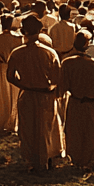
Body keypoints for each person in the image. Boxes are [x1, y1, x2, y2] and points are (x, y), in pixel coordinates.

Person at [6, 15, 63, 173]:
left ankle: (31, 160)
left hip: (27, 94)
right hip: (45, 94)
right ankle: (46, 157)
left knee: (28, 129)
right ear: (40, 31)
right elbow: (57, 77)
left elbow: (10, 76)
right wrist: (49, 87)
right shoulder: (49, 52)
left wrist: (23, 84)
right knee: (46, 127)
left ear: (23, 31)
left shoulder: (17, 53)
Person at [60, 30, 94, 170]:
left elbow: (62, 87)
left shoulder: (67, 63)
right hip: (93, 103)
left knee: (74, 132)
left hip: (75, 102)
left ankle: (76, 159)